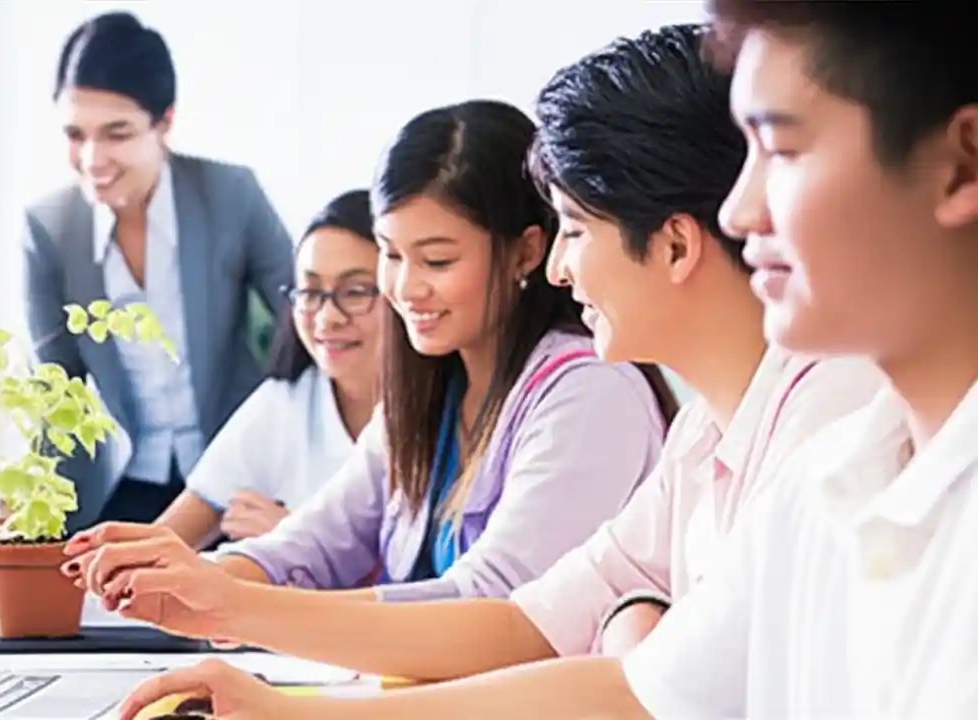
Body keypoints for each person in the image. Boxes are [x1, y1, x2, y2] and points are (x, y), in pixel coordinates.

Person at [116, 3, 978, 718]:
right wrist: (232, 611)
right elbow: (569, 637)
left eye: (782, 151)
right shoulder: (796, 455)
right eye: (392, 257)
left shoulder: (804, 421)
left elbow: (621, 681)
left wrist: (276, 671)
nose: (744, 210)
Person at [65, 99, 674, 610]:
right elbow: (309, 546)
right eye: (392, 254)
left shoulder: (589, 393)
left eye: (437, 260)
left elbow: (495, 602)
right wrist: (185, 574)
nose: (405, 288)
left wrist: (248, 605)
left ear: (526, 252)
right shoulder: (430, 395)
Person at [0, 11, 294, 554]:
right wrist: (27, 512)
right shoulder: (49, 229)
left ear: (165, 123)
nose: (93, 159)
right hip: (119, 490)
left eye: (118, 133)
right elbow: (54, 389)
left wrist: (301, 490)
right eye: (75, 135)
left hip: (232, 486)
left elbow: (305, 325)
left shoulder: (231, 196)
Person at [156, 190, 381, 549]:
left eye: (355, 292)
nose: (327, 318)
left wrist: (296, 537)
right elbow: (170, 535)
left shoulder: (450, 417)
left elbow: (430, 575)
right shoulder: (288, 400)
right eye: (310, 292)